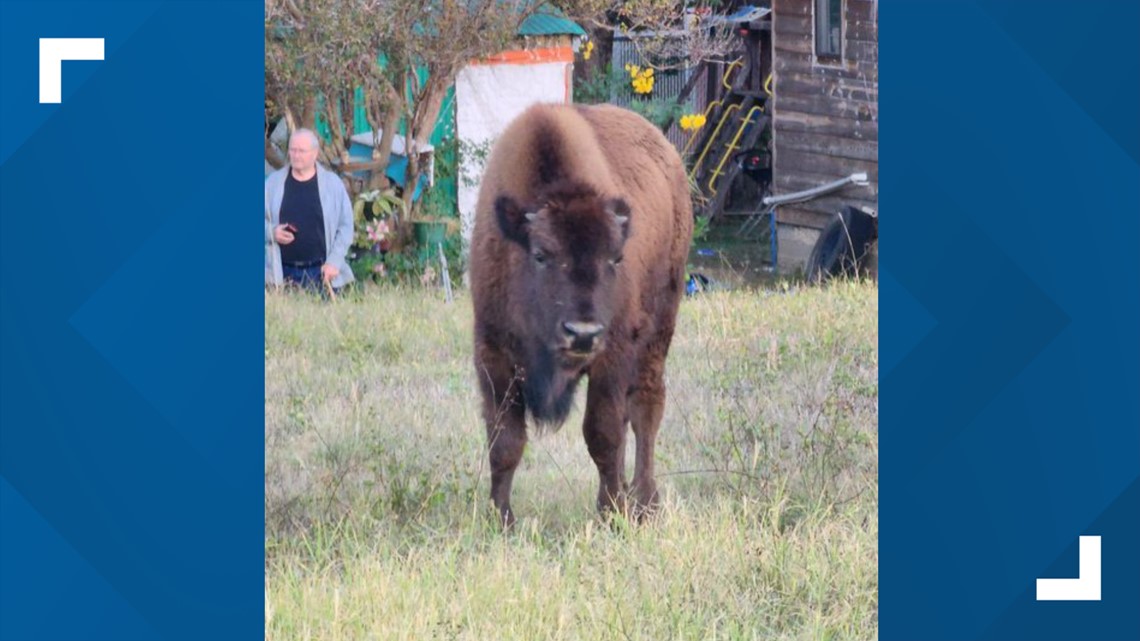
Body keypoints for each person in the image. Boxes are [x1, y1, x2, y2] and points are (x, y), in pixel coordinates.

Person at [265, 128, 355, 293]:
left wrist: (334, 262)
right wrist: (271, 232)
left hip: (322, 274)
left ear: (315, 153)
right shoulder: (272, 184)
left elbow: (346, 227)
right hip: (280, 274)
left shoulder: (333, 185)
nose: (296, 155)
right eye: (292, 150)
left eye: (301, 151)